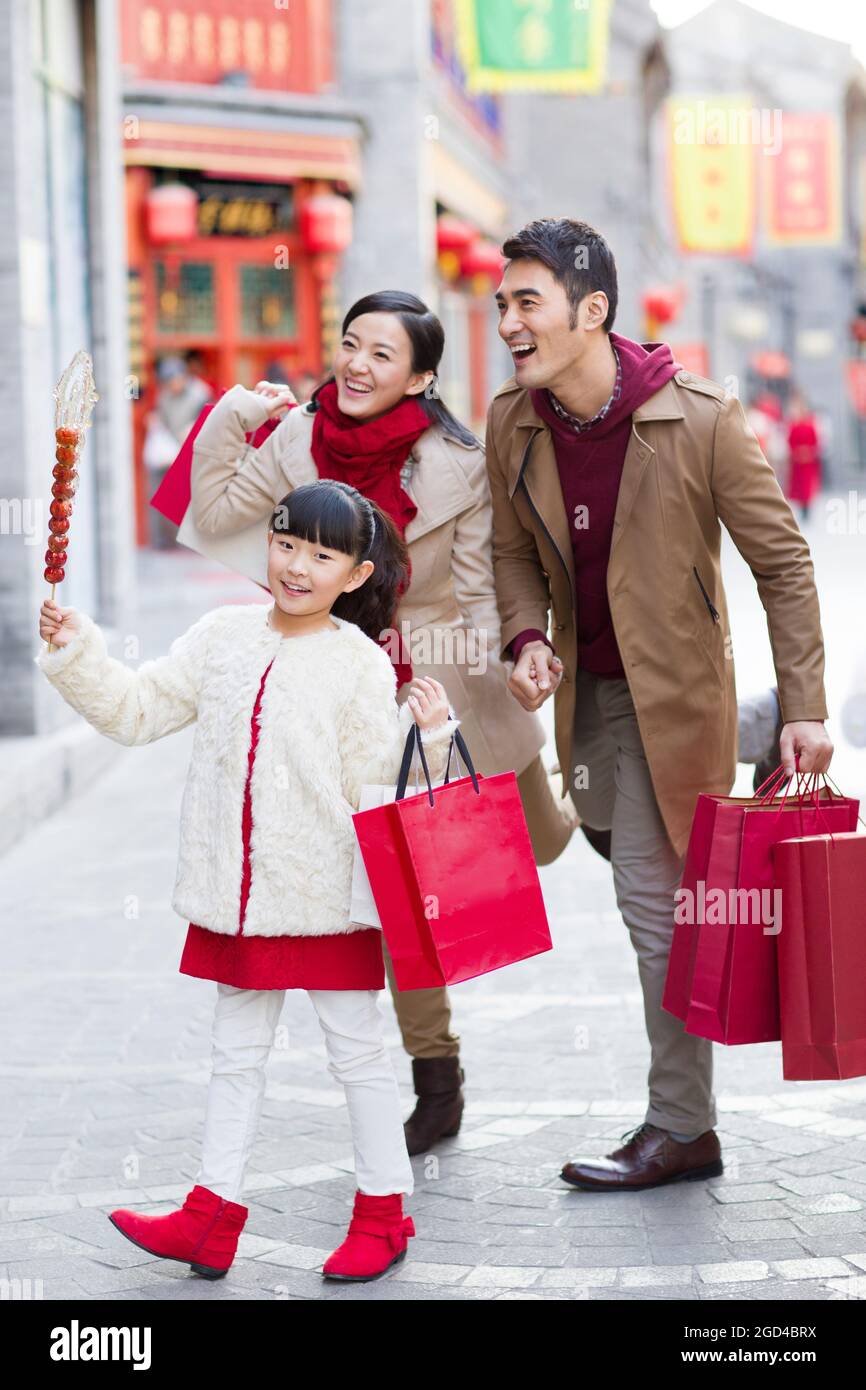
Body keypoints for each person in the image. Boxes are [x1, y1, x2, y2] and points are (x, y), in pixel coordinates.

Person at [186, 289, 579, 1155]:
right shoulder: (297, 439)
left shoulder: (457, 463)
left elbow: (477, 587)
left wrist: (506, 659)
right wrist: (235, 411)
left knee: (540, 844)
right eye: (349, 345)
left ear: (421, 375)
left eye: (381, 355)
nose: (356, 366)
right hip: (346, 693)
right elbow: (216, 513)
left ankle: (557, 796)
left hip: (443, 678)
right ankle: (437, 1081)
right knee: (401, 898)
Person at [36, 480, 460, 1282]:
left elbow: (376, 787)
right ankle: (210, 1216)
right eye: (286, 542)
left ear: (357, 575)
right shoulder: (221, 636)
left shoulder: (360, 665)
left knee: (357, 1055)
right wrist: (76, 647)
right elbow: (135, 711)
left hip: (327, 899)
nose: (297, 565)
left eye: (322, 554)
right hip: (232, 899)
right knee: (234, 1054)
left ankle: (385, 1210)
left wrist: (430, 740)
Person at [486, 217, 833, 1191]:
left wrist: (807, 700)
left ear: (589, 312)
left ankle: (681, 1126)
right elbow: (513, 551)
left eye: (527, 302)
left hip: (672, 700)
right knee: (609, 838)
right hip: (585, 696)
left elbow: (783, 563)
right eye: (501, 302)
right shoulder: (514, 421)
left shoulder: (700, 419)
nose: (507, 321)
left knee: (653, 904)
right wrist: (521, 637)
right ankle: (750, 727)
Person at [144, 357, 213, 549]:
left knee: (193, 497)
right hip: (171, 452)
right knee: (161, 493)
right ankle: (163, 540)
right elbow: (161, 418)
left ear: (183, 377)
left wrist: (194, 428)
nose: (172, 386)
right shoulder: (163, 396)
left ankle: (194, 541)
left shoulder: (201, 393)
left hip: (194, 451)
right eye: (168, 382)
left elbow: (211, 419)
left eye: (174, 380)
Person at [785, 390, 822, 522]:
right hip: (797, 461)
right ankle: (802, 510)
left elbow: (816, 442)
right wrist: (797, 452)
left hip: (808, 462)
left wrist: (808, 452)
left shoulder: (811, 424)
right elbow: (790, 442)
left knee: (807, 486)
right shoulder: (793, 425)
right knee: (799, 487)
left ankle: (807, 510)